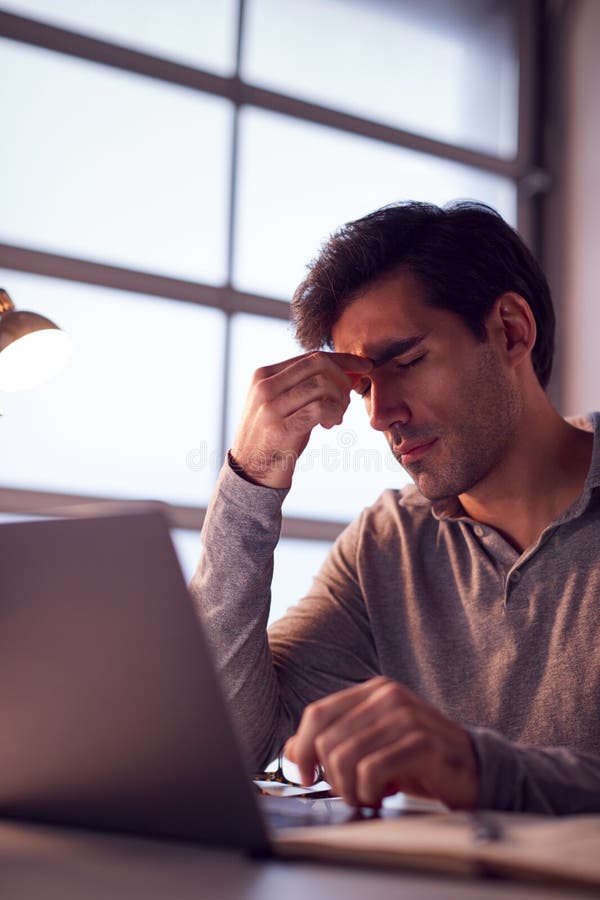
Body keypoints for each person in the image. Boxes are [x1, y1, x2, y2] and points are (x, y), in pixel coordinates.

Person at [191, 201, 600, 814]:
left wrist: (476, 767)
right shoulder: (388, 543)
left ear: (511, 330)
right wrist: (252, 480)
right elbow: (230, 738)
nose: (380, 416)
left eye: (406, 362)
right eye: (362, 387)